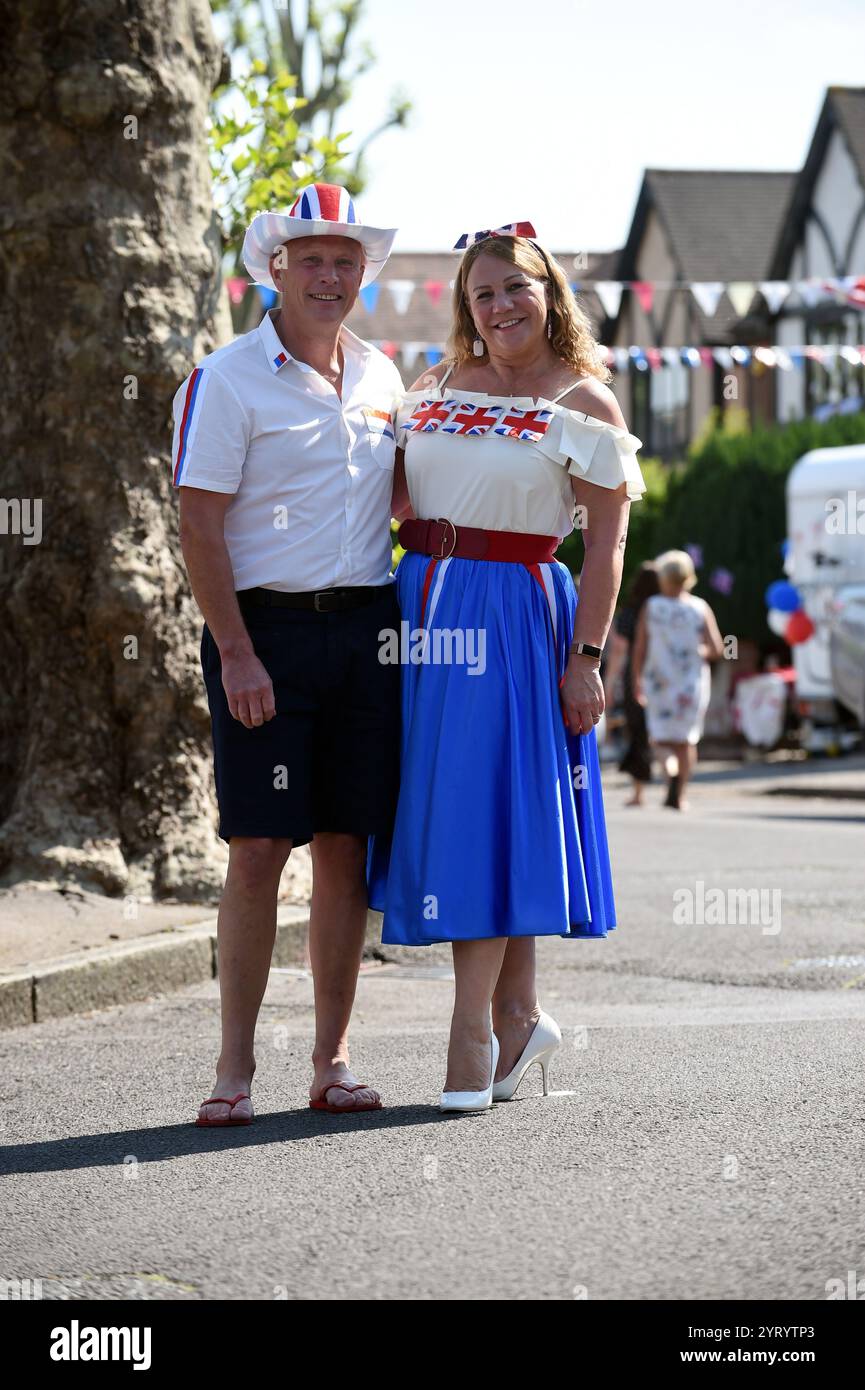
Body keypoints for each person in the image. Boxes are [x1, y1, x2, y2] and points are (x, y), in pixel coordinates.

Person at [367, 222, 646, 1110]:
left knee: (479, 806)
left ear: (547, 294)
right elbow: (393, 492)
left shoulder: (585, 401)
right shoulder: (435, 385)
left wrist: (587, 657)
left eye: (515, 288)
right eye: (482, 293)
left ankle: (472, 1033)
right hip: (421, 602)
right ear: (466, 307)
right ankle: (519, 1013)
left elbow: (605, 544)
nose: (498, 306)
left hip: (517, 611)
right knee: (478, 807)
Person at [172, 184, 403, 1122]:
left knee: (346, 847)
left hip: (367, 629)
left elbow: (398, 506)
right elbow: (198, 522)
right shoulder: (225, 378)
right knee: (260, 846)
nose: (329, 273)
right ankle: (234, 1070)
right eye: (310, 257)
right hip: (263, 633)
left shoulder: (386, 376)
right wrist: (235, 652)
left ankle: (331, 1062)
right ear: (274, 267)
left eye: (345, 259)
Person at [631, 549, 725, 810]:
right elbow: (717, 648)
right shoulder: (699, 607)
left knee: (660, 739)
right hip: (691, 683)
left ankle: (669, 771)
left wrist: (636, 679)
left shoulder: (652, 607)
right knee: (686, 740)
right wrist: (699, 651)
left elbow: (640, 647)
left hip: (659, 681)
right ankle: (680, 796)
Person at [603, 562, 660, 805]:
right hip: (665, 677)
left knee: (637, 732)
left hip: (635, 678)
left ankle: (639, 792)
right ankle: (674, 778)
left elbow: (618, 651)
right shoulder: (665, 609)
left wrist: (608, 683)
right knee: (662, 732)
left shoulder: (629, 612)